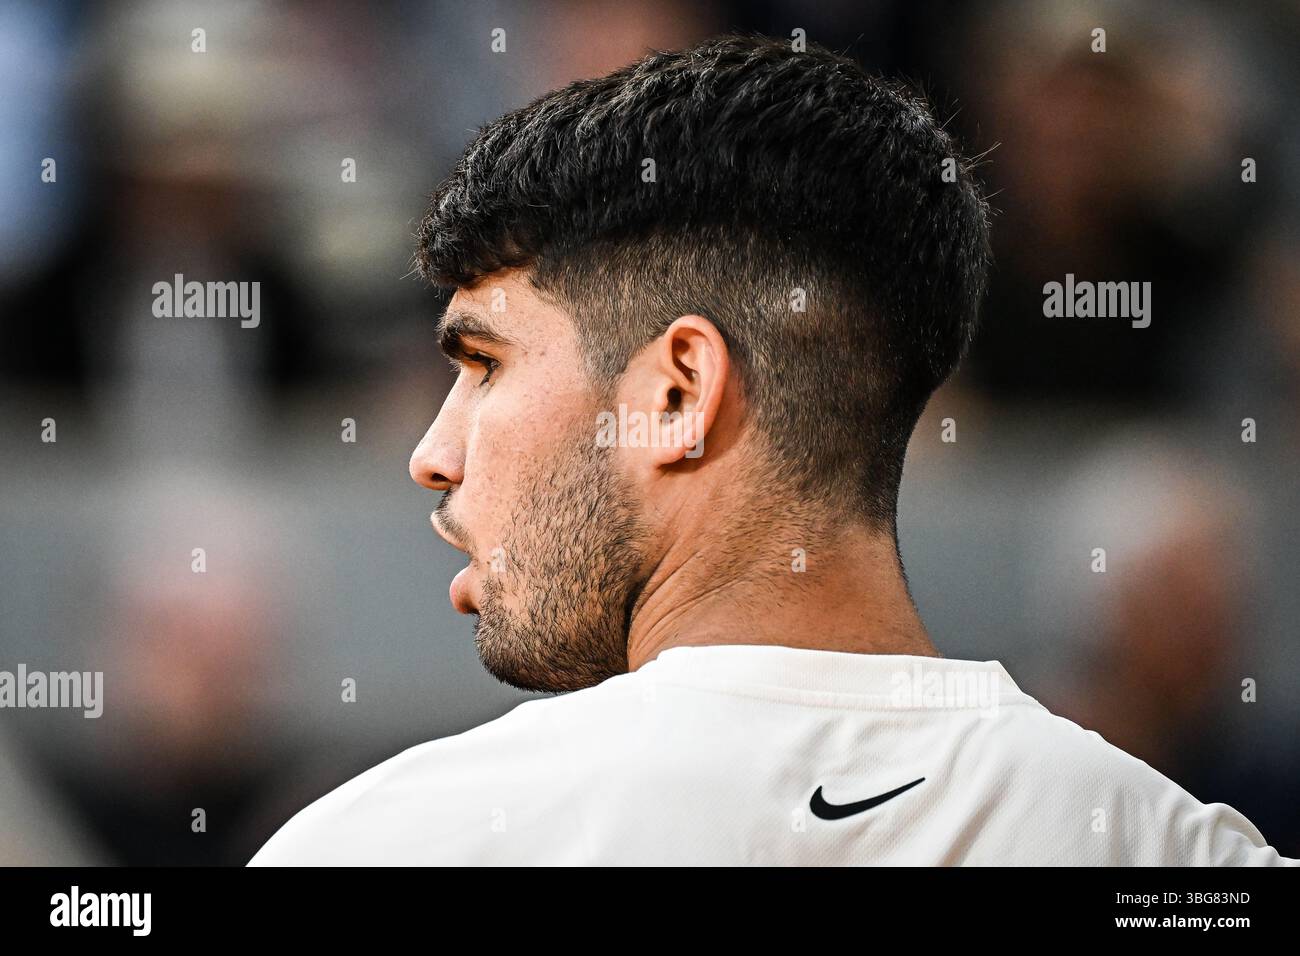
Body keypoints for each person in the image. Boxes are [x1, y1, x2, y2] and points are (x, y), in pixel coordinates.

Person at [249, 35, 1295, 865]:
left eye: (482, 364)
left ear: (675, 391)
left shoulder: (393, 843)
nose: (433, 454)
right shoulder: (1182, 857)